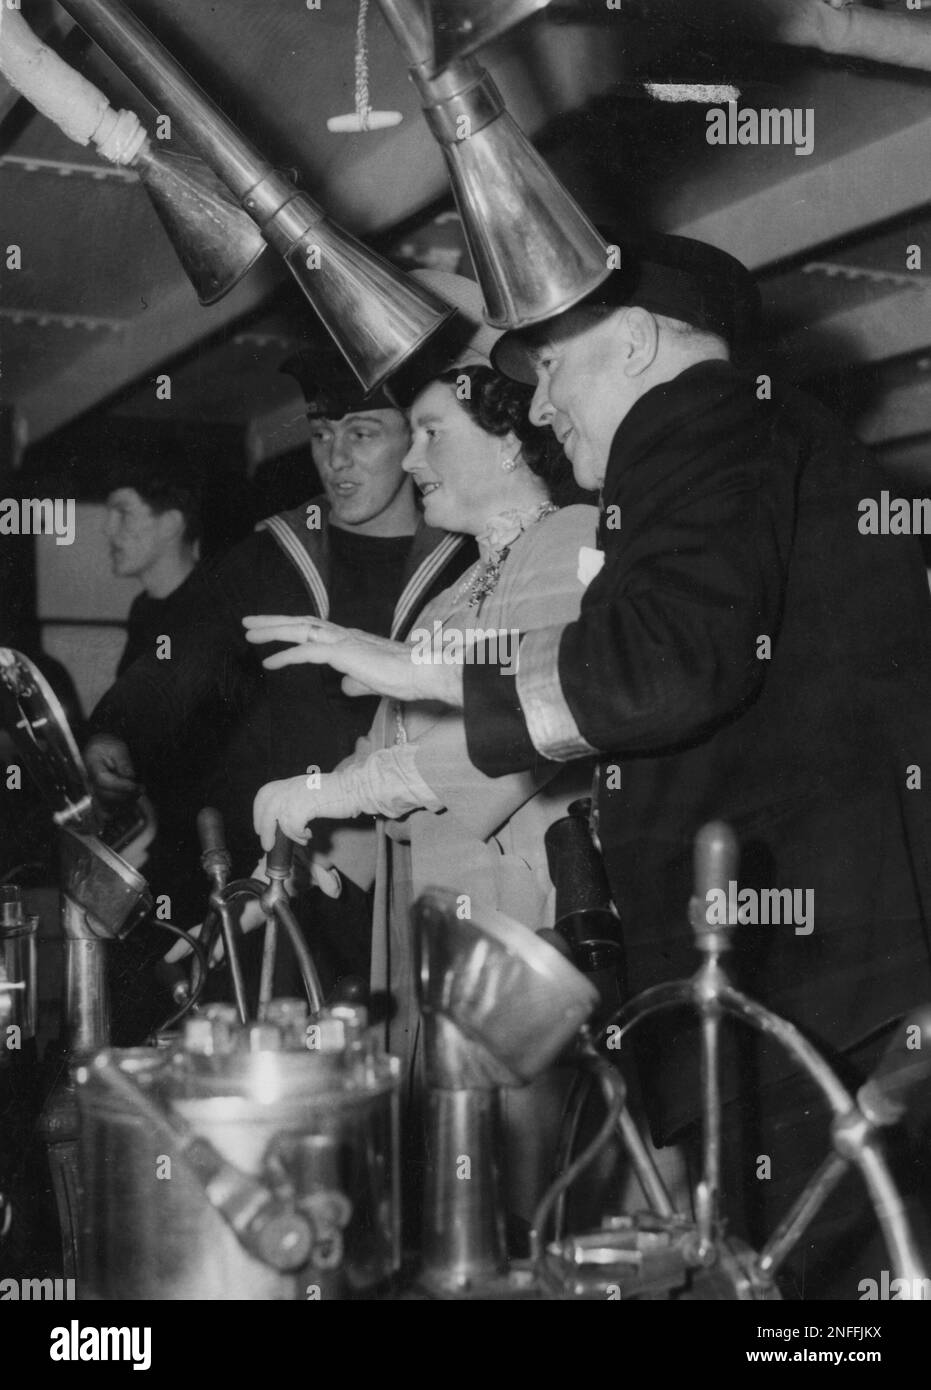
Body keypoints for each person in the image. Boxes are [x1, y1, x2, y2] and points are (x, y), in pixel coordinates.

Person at [249, 234, 931, 1296]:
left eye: (555, 365)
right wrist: (422, 676)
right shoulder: (758, 434)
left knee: (813, 1297)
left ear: (640, 344)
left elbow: (661, 667)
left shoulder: (698, 416)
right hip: (831, 976)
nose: (544, 403)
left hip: (806, 983)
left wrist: (420, 682)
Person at [246, 276, 599, 1227]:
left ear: (515, 440)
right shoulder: (451, 594)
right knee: (452, 1197)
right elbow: (395, 780)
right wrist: (331, 848)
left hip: (523, 940)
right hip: (442, 936)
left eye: (435, 433)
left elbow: (499, 749)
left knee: (520, 1201)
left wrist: (322, 792)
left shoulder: (568, 546)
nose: (414, 457)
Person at [84, 351, 475, 1023]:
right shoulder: (277, 553)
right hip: (288, 876)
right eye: (322, 435)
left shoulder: (465, 558)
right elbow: (175, 663)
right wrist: (114, 729)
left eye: (361, 432)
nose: (336, 459)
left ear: (414, 435)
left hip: (425, 870)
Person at [104, 461, 202, 677]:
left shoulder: (210, 610)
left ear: (170, 524)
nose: (108, 530)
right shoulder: (143, 608)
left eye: (123, 514)